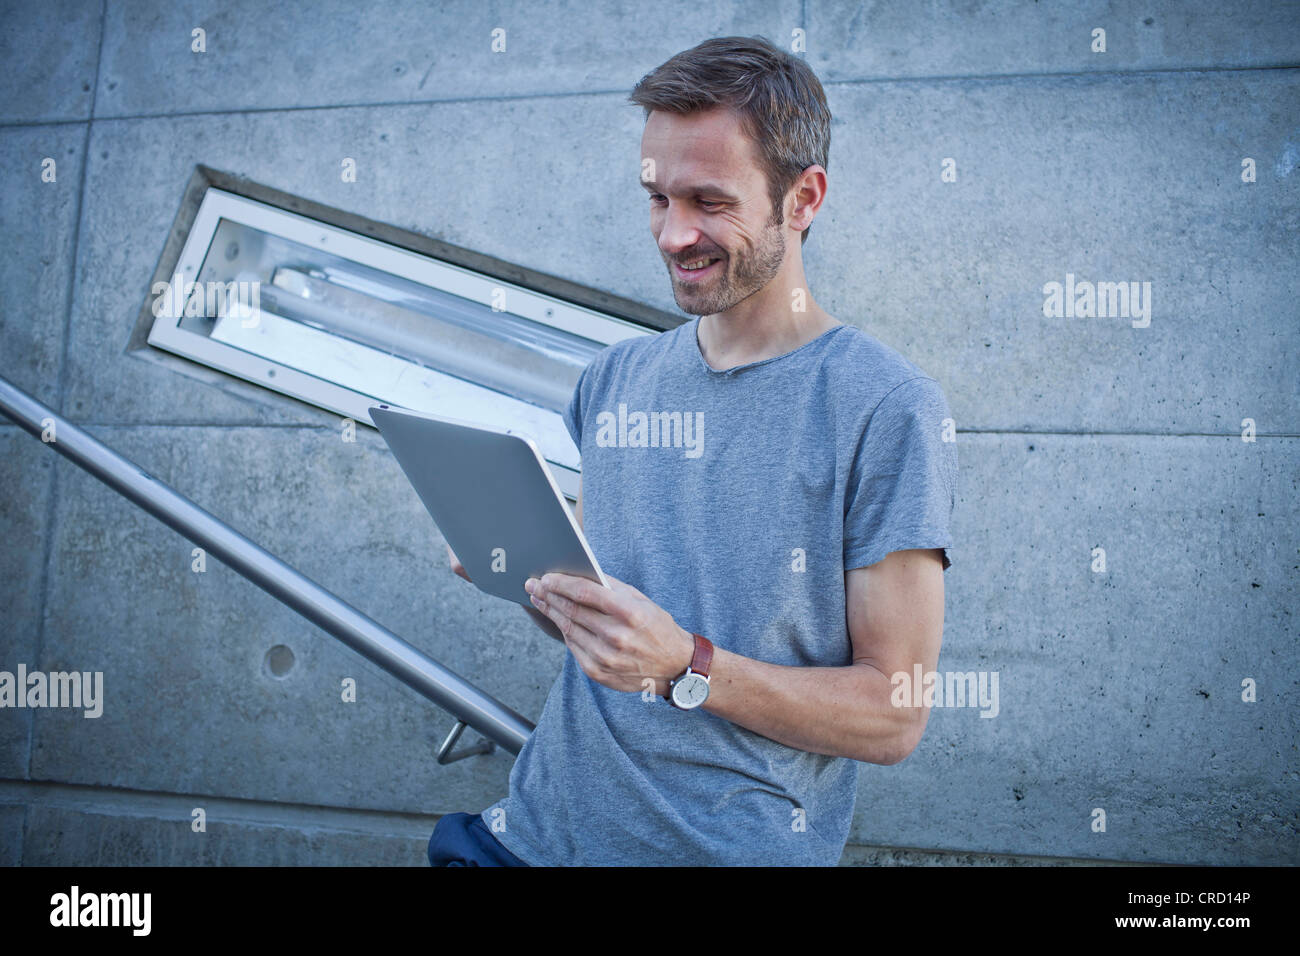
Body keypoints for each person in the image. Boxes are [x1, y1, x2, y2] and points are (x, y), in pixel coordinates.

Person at [430, 34, 957, 867]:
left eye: (709, 201)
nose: (674, 236)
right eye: (657, 199)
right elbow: (617, 642)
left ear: (803, 197)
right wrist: (528, 573)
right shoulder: (613, 379)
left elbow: (894, 714)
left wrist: (688, 664)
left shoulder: (884, 408)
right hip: (529, 840)